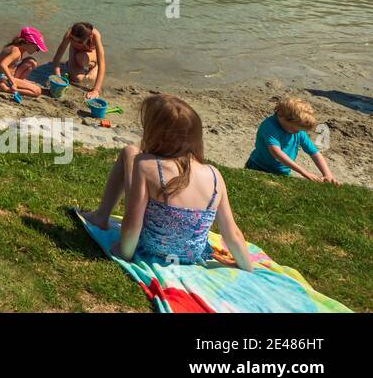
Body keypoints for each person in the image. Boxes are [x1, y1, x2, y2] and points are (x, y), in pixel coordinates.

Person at [80, 95, 253, 270]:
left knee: (129, 151)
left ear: (154, 133)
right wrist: (247, 267)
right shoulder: (215, 175)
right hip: (191, 256)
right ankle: (101, 217)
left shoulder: (145, 164)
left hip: (153, 249)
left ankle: (101, 217)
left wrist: (124, 254)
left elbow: (133, 222)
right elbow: (232, 233)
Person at [245, 98, 338, 183]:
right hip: (258, 167)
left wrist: (327, 174)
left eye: (300, 130)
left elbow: (314, 153)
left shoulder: (298, 131)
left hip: (282, 171)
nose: (297, 132)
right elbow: (276, 153)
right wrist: (304, 172)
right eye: (295, 129)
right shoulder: (270, 126)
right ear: (281, 116)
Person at [50, 22, 106, 99]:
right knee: (77, 79)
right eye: (72, 39)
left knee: (83, 59)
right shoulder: (70, 34)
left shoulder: (95, 35)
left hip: (90, 53)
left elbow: (102, 64)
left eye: (79, 42)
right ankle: (71, 63)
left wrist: (96, 90)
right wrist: (58, 78)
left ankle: (93, 66)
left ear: (89, 37)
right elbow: (57, 58)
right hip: (75, 51)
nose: (75, 42)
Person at [0, 27, 46, 101]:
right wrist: (13, 83)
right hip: (4, 78)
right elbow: (3, 64)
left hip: (10, 75)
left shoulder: (18, 47)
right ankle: (5, 88)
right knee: (37, 91)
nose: (37, 51)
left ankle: (20, 81)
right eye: (37, 48)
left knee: (32, 62)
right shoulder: (16, 51)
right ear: (28, 43)